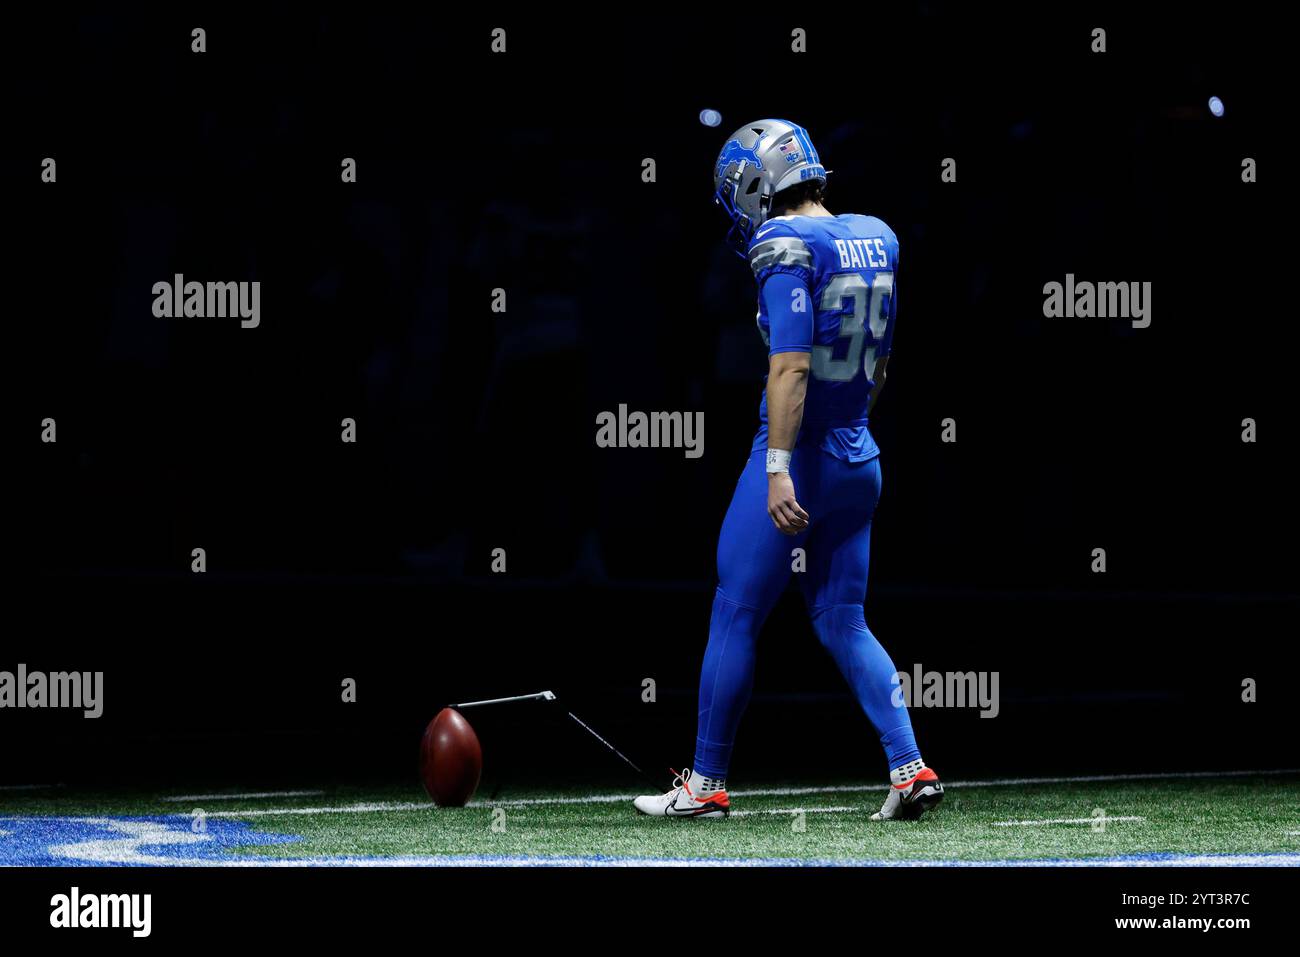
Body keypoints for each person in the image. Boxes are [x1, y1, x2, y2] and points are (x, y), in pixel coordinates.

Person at [633, 119, 942, 821]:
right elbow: (880, 364)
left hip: (799, 454)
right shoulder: (878, 235)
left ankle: (705, 782)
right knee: (842, 618)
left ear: (753, 183)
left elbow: (791, 362)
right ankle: (909, 764)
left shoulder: (782, 243)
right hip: (860, 452)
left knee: (736, 609)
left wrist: (779, 468)